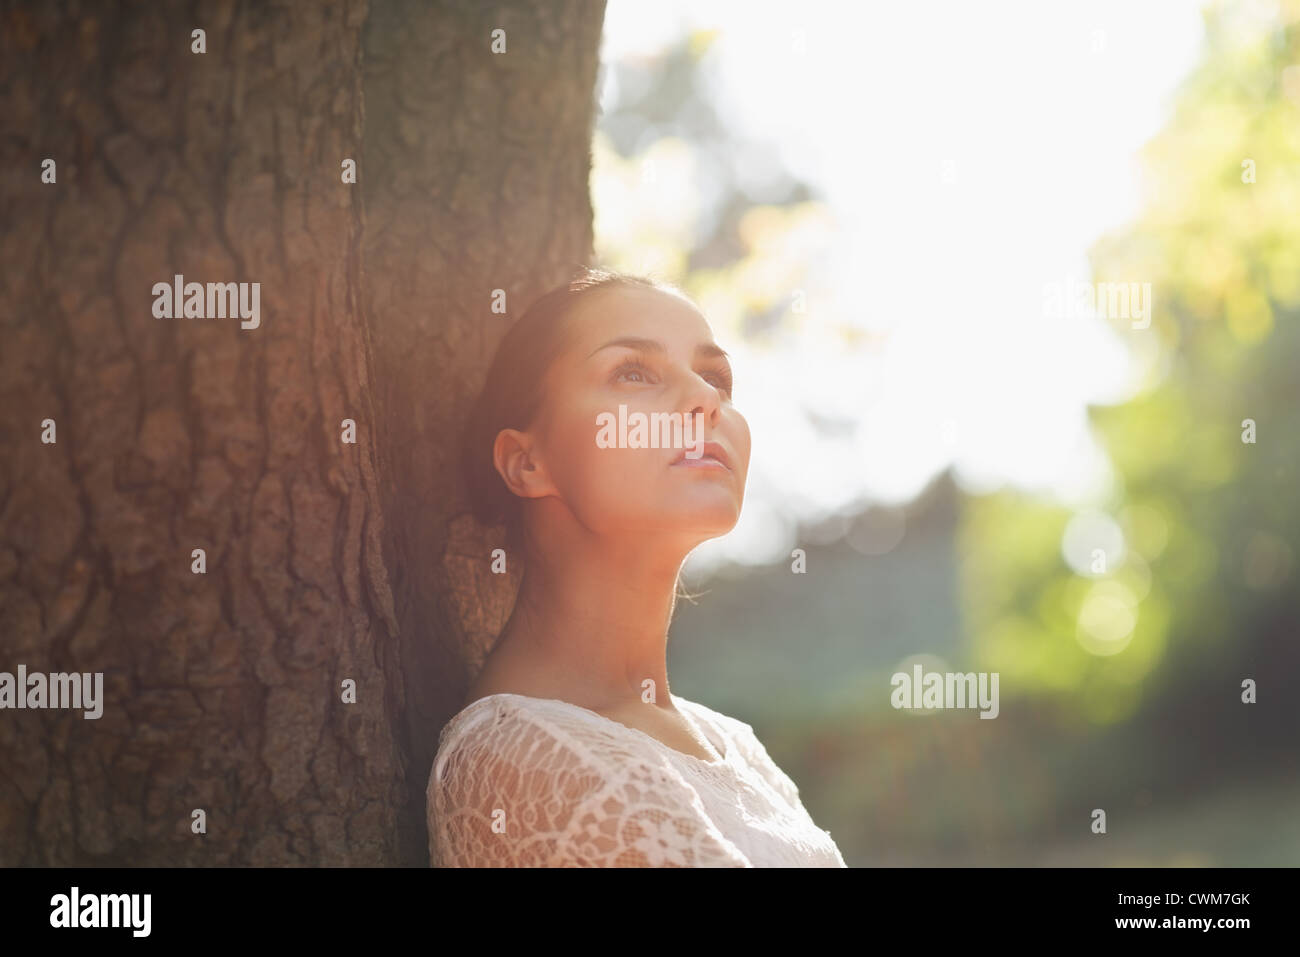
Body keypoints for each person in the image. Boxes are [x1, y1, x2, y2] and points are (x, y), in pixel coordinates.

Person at [428, 266, 846, 867]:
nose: (706, 399)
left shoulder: (736, 746)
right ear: (526, 462)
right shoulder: (520, 761)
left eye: (715, 376)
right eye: (632, 372)